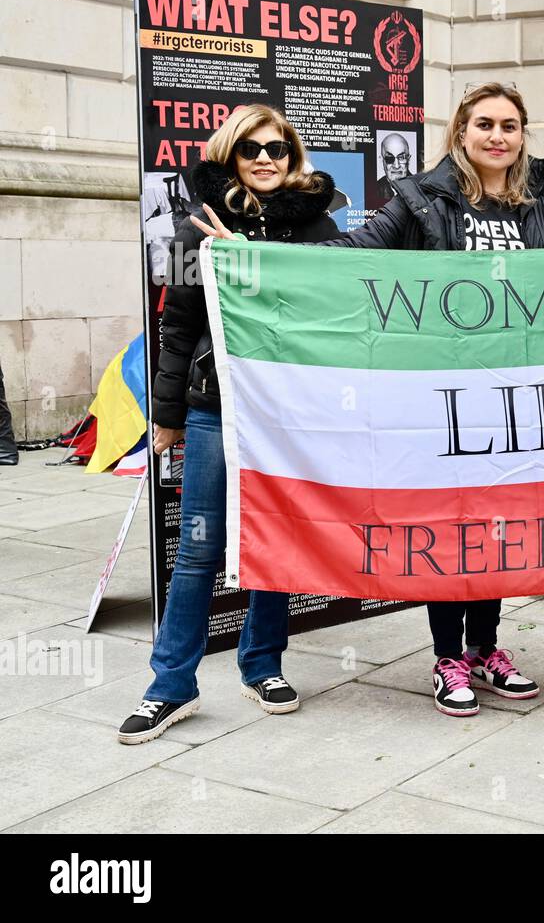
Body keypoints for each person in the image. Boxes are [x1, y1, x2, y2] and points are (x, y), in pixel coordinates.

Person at [194, 82, 544, 718]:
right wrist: (260, 257)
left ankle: (486, 650)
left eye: (510, 125)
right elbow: (351, 256)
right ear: (461, 134)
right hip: (443, 397)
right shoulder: (421, 201)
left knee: (502, 523)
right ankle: (448, 657)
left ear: (523, 135)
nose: (498, 136)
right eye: (484, 125)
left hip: (516, 398)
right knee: (455, 524)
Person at [118, 105, 340, 744]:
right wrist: (166, 415)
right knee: (197, 548)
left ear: (292, 155)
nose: (266, 158)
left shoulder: (320, 228)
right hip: (215, 405)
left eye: (277, 147)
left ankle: (262, 663)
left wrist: (255, 267)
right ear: (231, 156)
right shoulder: (197, 229)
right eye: (251, 149)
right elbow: (178, 327)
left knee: (277, 541)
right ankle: (169, 686)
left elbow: (328, 317)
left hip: (291, 411)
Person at [376, 132, 411, 202]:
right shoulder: (374, 190)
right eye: (389, 158)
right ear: (381, 160)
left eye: (401, 157)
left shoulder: (420, 187)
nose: (396, 166)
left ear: (408, 159)